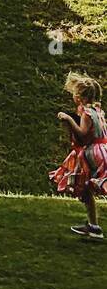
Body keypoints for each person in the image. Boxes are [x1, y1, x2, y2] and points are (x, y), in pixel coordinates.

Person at [51, 71, 107, 240]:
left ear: (80, 98)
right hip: (102, 149)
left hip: (93, 153)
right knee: (87, 189)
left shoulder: (87, 114)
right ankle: (93, 226)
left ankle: (94, 226)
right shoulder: (98, 111)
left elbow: (82, 134)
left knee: (94, 186)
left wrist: (68, 120)